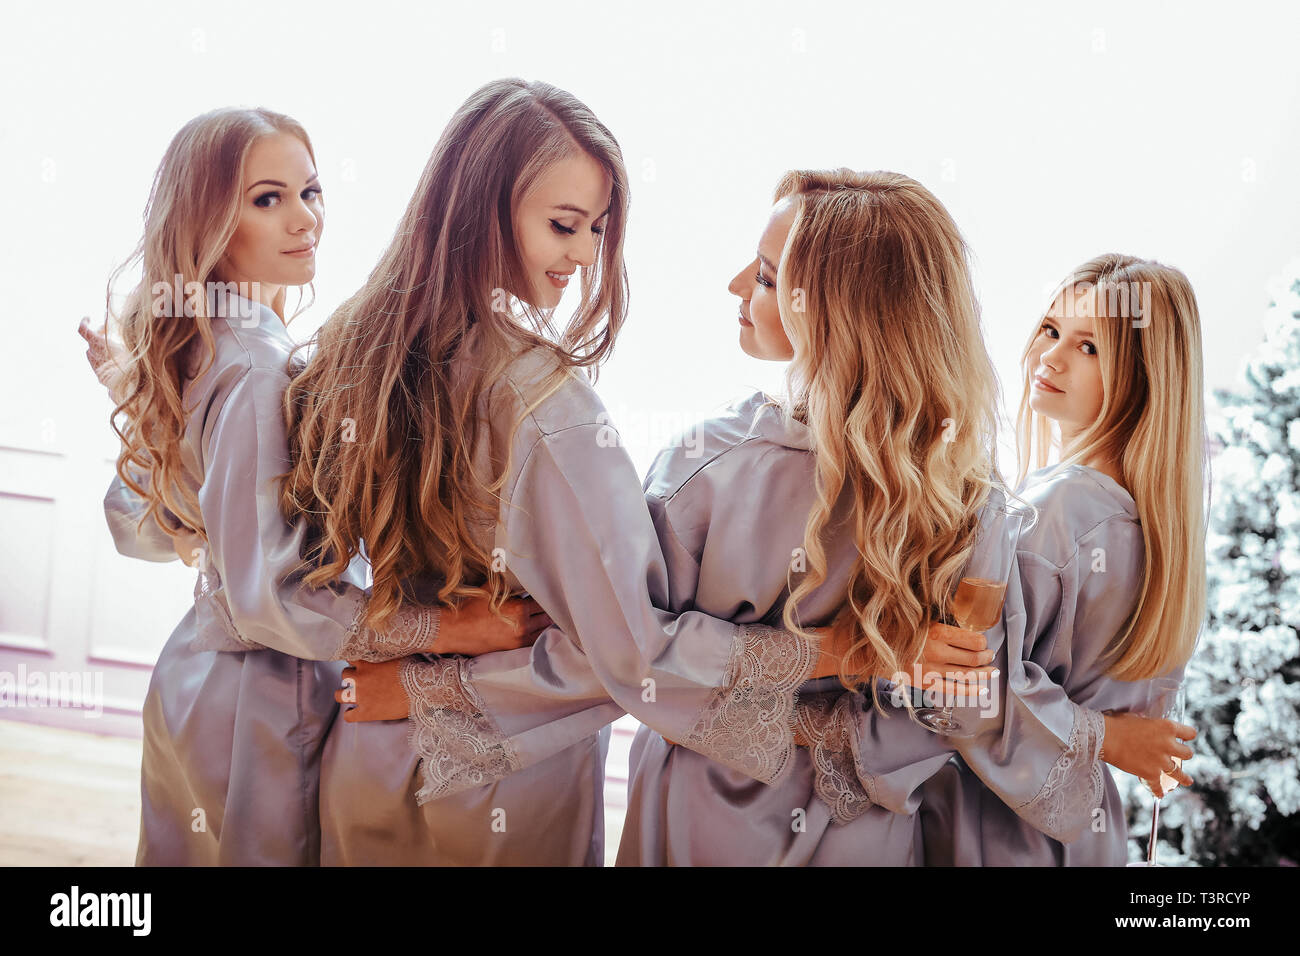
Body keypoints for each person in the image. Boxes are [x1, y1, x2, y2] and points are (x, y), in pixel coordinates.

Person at [82, 107, 540, 865]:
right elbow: (271, 597)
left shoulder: (206, 344)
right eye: (268, 199)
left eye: (311, 191)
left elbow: (146, 527)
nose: (306, 220)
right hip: (258, 702)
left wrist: (149, 420)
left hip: (193, 681)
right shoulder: (259, 365)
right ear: (210, 220)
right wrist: (455, 631)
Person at [918, 254, 1205, 866]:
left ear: (1145, 375)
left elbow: (966, 694)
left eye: (1089, 347)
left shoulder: (1053, 509)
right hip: (1087, 832)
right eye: (1050, 330)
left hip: (990, 825)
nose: (1050, 357)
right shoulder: (1157, 530)